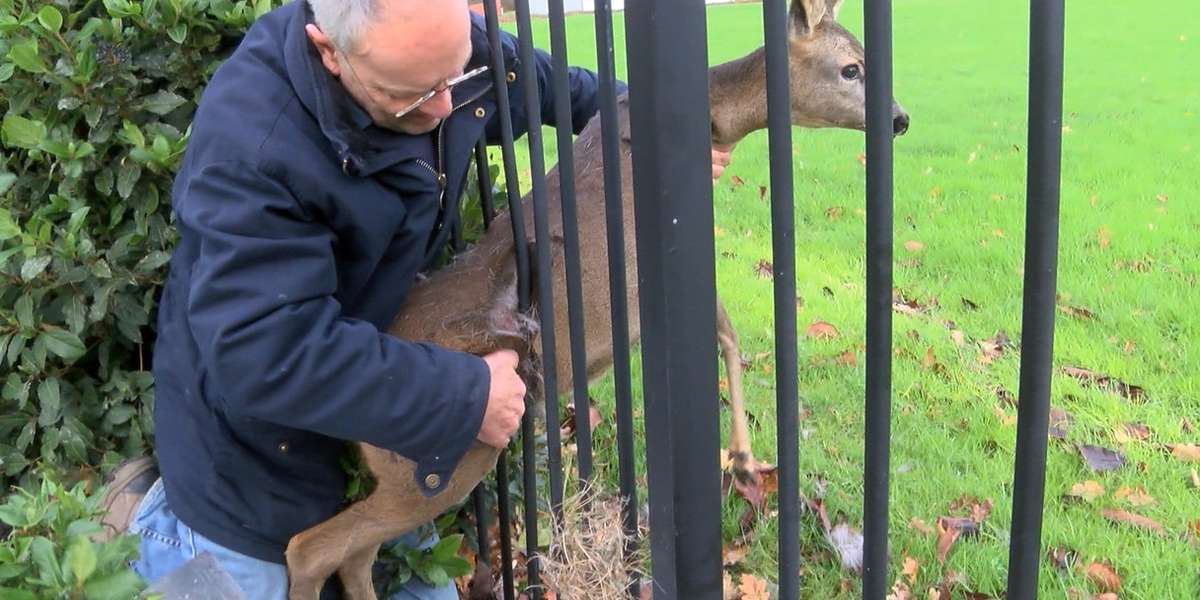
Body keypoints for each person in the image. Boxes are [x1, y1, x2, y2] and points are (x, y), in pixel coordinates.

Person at [98, 0, 733, 598]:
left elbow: (567, 90)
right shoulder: (254, 146)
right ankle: (159, 531)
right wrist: (465, 395)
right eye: (410, 94)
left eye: (455, 75)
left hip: (384, 405)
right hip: (254, 460)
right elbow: (265, 353)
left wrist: (663, 138)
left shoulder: (439, 51)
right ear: (329, 52)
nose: (446, 105)